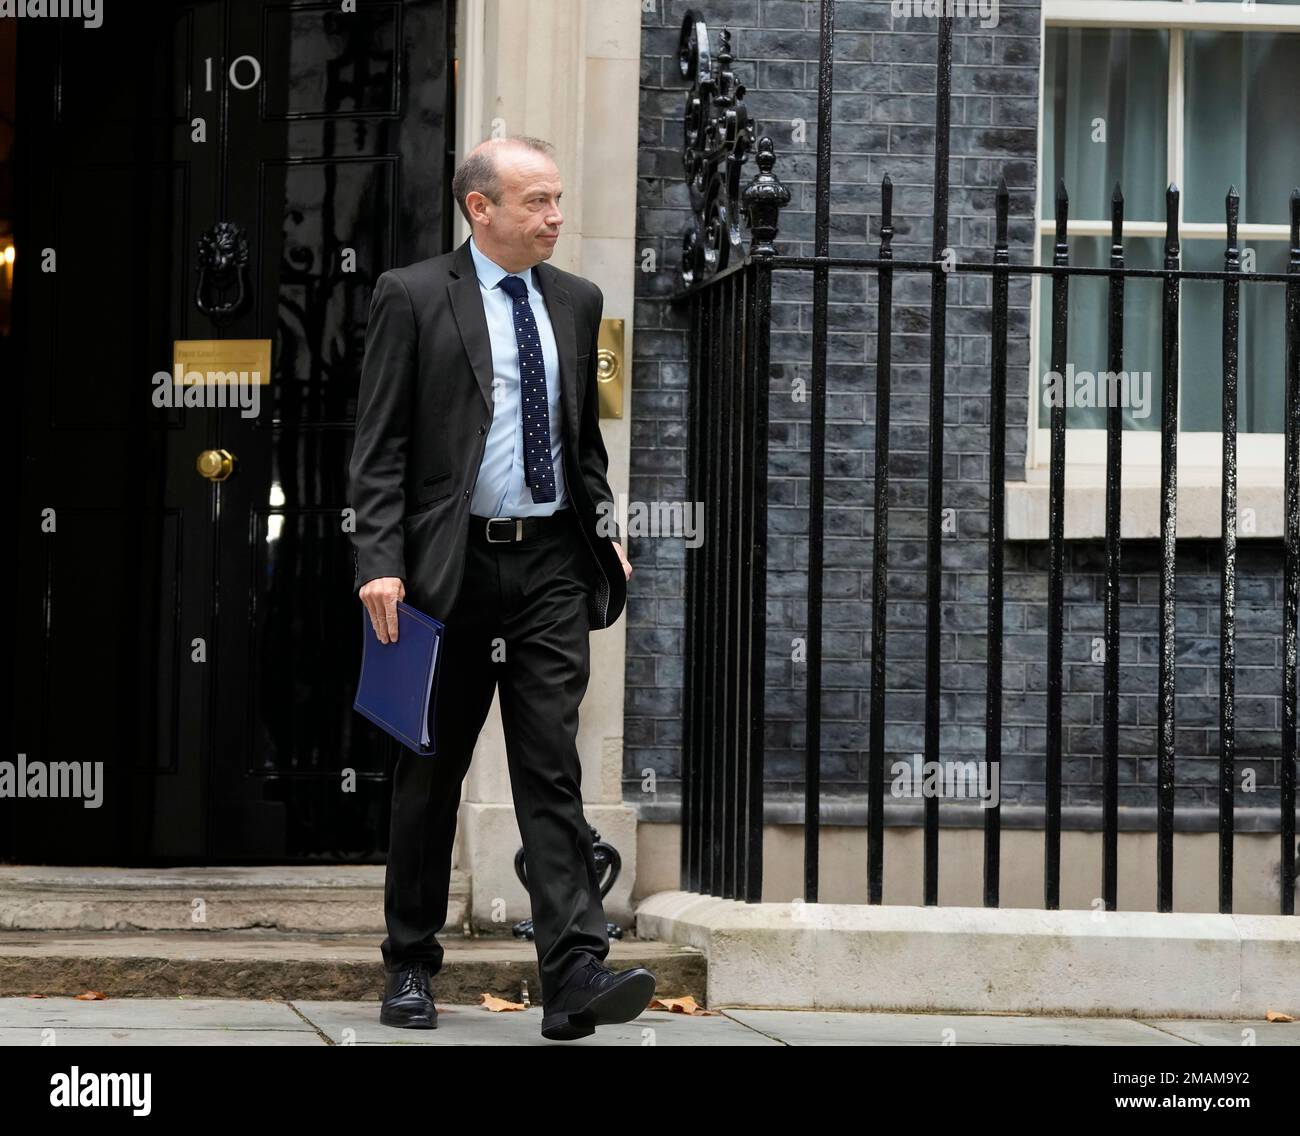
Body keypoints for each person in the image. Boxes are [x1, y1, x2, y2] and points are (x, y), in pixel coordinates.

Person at [348, 135, 655, 1041]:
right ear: (479, 208)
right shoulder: (410, 296)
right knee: (427, 772)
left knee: (550, 770)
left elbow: (582, 446)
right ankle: (409, 965)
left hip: (552, 568)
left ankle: (573, 977)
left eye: (559, 200)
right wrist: (378, 562)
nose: (556, 216)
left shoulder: (578, 301)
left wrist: (605, 532)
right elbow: (380, 449)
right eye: (537, 202)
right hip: (447, 571)